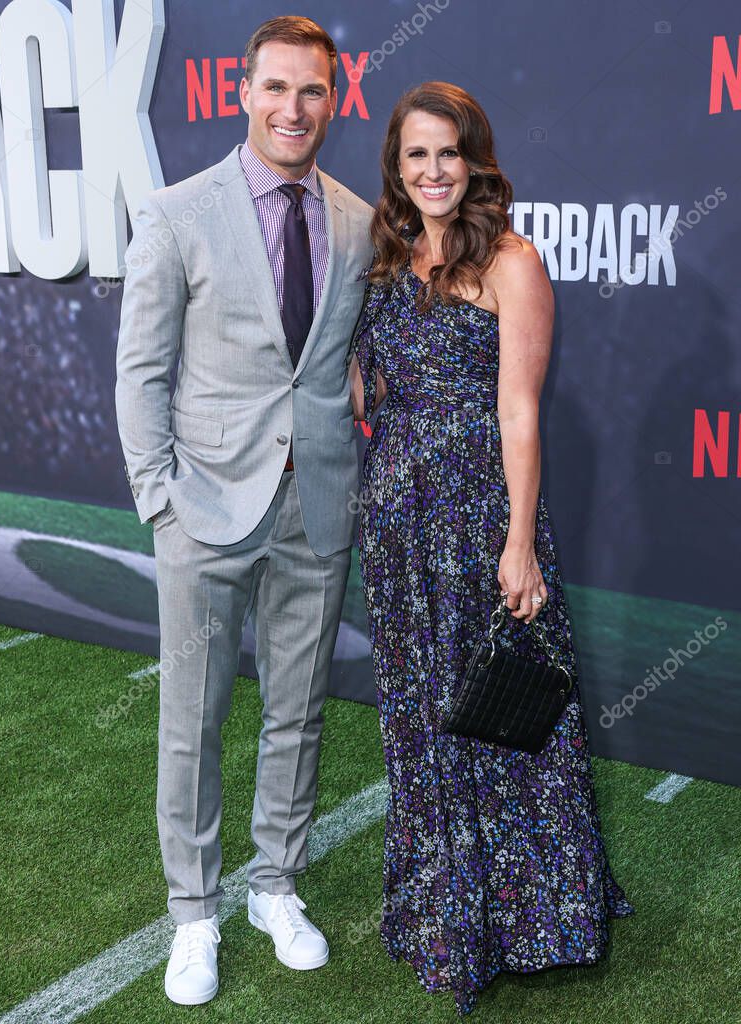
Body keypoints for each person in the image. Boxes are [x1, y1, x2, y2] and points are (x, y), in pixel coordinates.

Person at [349, 81, 635, 1017]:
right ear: (396, 167)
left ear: (475, 160)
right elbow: (363, 388)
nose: (431, 172)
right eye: (414, 155)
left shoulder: (513, 262)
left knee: (501, 712)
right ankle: (446, 907)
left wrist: (519, 542)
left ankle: (531, 914)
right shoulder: (385, 260)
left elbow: (519, 410)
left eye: (447, 153)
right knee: (422, 719)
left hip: (481, 520)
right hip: (397, 523)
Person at [115, 16, 374, 1006]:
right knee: (193, 717)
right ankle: (193, 911)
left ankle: (275, 884)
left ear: (333, 99)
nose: (293, 108)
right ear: (244, 91)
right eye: (276, 88)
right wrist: (159, 501)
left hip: (316, 503)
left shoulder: (355, 218)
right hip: (202, 510)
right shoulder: (180, 211)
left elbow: (335, 355)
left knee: (299, 713)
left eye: (312, 91)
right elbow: (142, 370)